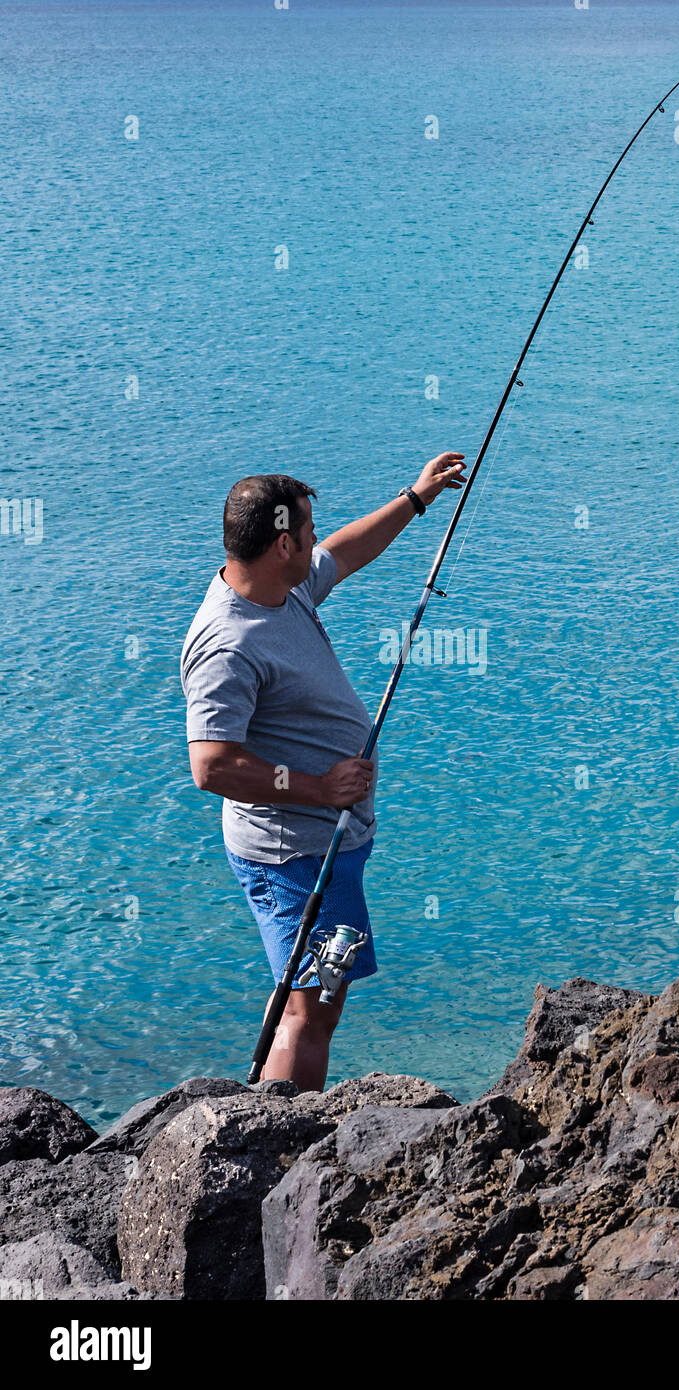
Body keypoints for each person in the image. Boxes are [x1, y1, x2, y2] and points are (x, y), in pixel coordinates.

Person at [180, 453, 465, 1090]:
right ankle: (283, 1144)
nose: (316, 542)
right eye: (307, 533)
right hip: (293, 853)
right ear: (283, 543)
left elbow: (343, 553)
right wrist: (318, 788)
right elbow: (211, 765)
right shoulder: (228, 644)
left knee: (306, 996)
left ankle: (265, 1113)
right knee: (313, 1012)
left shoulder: (282, 586)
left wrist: (416, 499)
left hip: (327, 842)